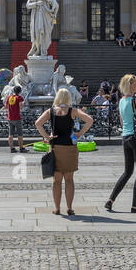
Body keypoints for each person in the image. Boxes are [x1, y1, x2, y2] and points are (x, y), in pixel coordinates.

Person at [37, 87, 93, 215]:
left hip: (55, 147)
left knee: (56, 180)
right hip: (69, 147)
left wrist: (47, 137)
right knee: (69, 179)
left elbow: (37, 123)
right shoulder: (72, 111)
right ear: (68, 98)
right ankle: (69, 207)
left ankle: (57, 208)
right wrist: (79, 134)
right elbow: (90, 120)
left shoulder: (51, 111)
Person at [106, 74, 136, 213]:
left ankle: (111, 199)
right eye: (135, 84)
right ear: (129, 85)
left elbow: (121, 121)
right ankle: (135, 205)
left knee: (127, 172)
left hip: (125, 137)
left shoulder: (121, 101)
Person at [5, 86, 24, 152]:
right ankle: (21, 148)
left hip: (10, 118)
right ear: (20, 91)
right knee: (20, 134)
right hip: (17, 118)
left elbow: (6, 106)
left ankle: (12, 148)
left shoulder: (9, 97)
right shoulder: (19, 98)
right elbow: (21, 107)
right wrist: (23, 104)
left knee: (11, 134)